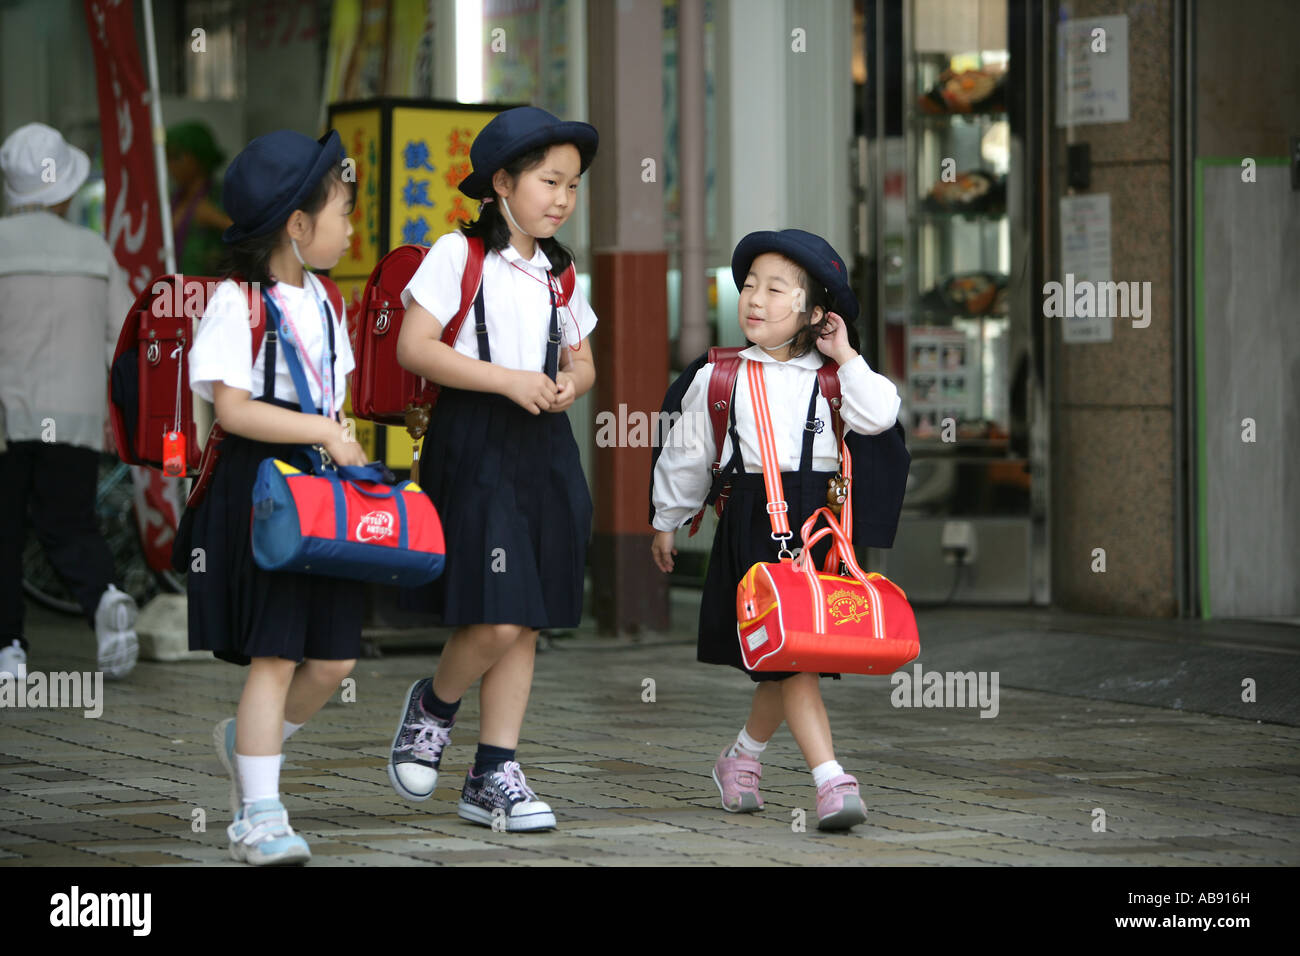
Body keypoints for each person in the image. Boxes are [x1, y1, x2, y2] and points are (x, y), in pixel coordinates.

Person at [386, 107, 598, 832]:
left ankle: (493, 770)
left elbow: (583, 357)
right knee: (501, 610)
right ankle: (434, 705)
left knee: (529, 617)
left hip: (546, 446)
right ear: (501, 182)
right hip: (475, 439)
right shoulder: (457, 254)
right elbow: (414, 347)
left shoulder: (561, 272)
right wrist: (506, 380)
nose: (563, 198)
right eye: (549, 181)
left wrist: (574, 381)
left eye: (571, 185)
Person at [650, 229, 902, 830]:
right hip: (757, 527)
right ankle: (830, 781)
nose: (754, 299)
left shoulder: (837, 378)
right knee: (792, 661)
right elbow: (687, 453)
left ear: (815, 312)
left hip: (818, 527)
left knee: (790, 658)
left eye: (775, 288)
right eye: (748, 286)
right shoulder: (722, 376)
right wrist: (667, 518)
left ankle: (740, 758)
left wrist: (846, 355)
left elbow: (882, 415)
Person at [176, 129, 366, 865]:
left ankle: (247, 746)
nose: (351, 227)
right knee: (277, 654)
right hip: (260, 490)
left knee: (333, 662)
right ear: (296, 223)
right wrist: (323, 427)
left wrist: (333, 434)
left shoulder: (324, 301)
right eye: (343, 211)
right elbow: (232, 410)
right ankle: (258, 814)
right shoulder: (238, 304)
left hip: (318, 488)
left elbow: (332, 397)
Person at [0, 122, 139, 682]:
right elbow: (122, 338)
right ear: (61, 191)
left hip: (8, 418)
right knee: (69, 523)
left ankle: (8, 650)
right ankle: (104, 598)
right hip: (74, 417)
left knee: (5, 532)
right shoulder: (93, 250)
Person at [165, 121, 231, 277]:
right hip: (174, 289)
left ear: (198, 156)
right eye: (168, 158)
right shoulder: (171, 200)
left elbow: (253, 238)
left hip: (209, 288)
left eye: (176, 157)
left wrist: (218, 219)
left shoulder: (224, 196)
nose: (170, 165)